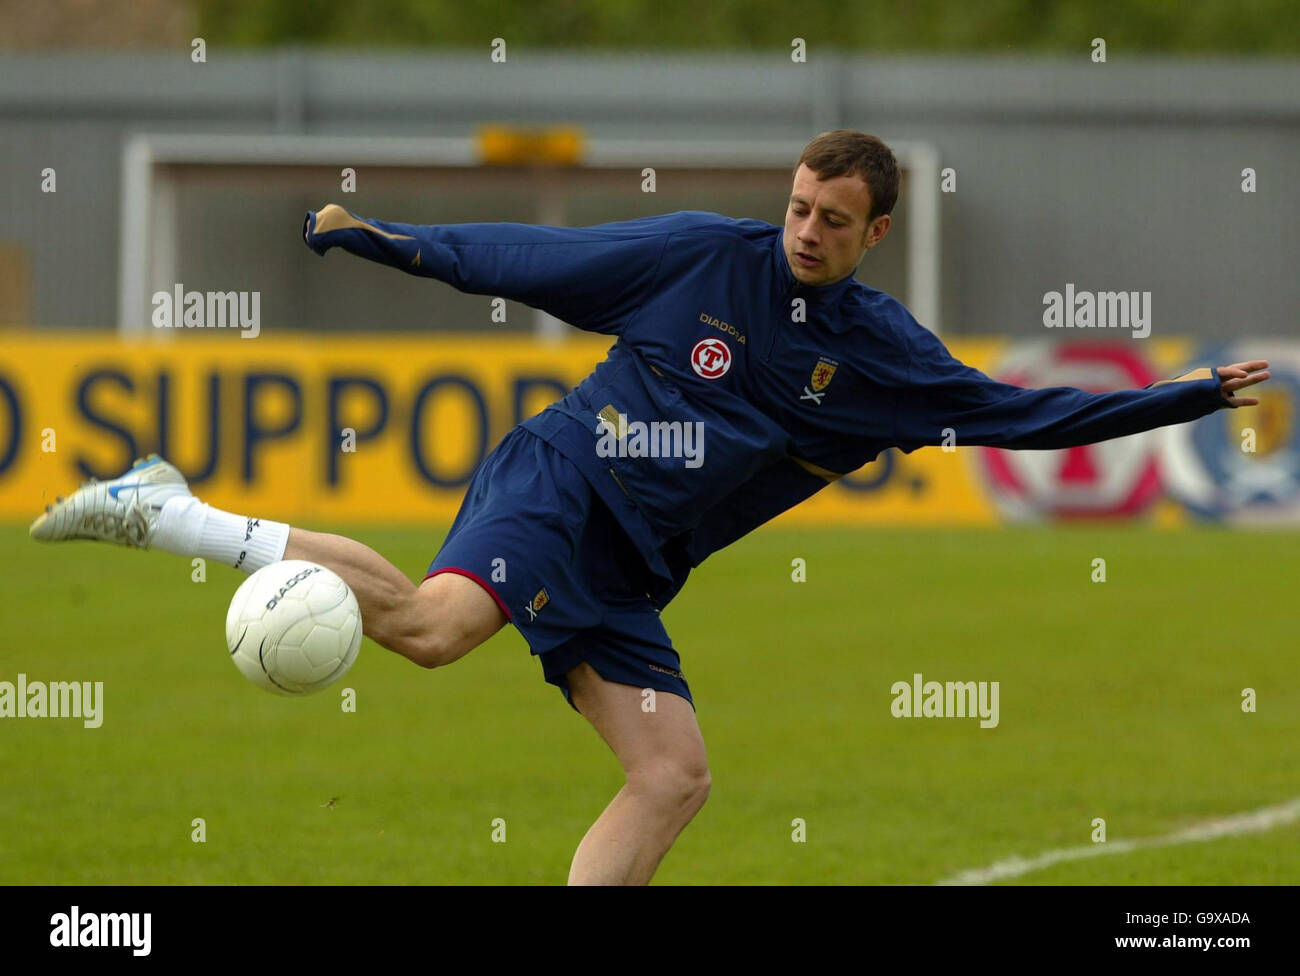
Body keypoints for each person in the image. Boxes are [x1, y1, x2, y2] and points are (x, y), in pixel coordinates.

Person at [31, 129, 1270, 885]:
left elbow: (1024, 414)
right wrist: (392, 241)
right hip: (562, 481)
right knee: (433, 628)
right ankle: (173, 513)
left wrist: (1182, 399)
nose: (804, 230)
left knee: (672, 774)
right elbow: (534, 262)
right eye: (797, 206)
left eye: (833, 222)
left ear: (875, 231)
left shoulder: (886, 358)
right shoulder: (702, 255)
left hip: (629, 570)